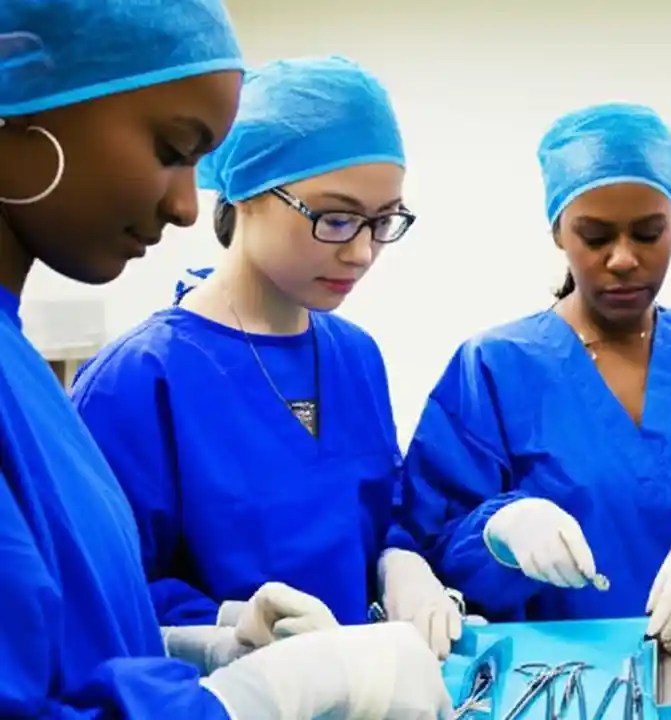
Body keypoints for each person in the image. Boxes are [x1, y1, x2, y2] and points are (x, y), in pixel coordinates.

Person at [0, 4, 449, 717]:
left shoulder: (354, 356)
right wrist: (230, 650)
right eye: (335, 218)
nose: (363, 250)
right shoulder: (139, 376)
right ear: (244, 191)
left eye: (383, 221)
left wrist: (403, 562)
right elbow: (106, 613)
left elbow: (377, 511)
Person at [391, 102, 671, 640]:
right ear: (559, 233)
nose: (623, 258)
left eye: (648, 234)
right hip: (558, 670)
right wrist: (498, 531)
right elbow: (430, 544)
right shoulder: (494, 367)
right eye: (596, 237)